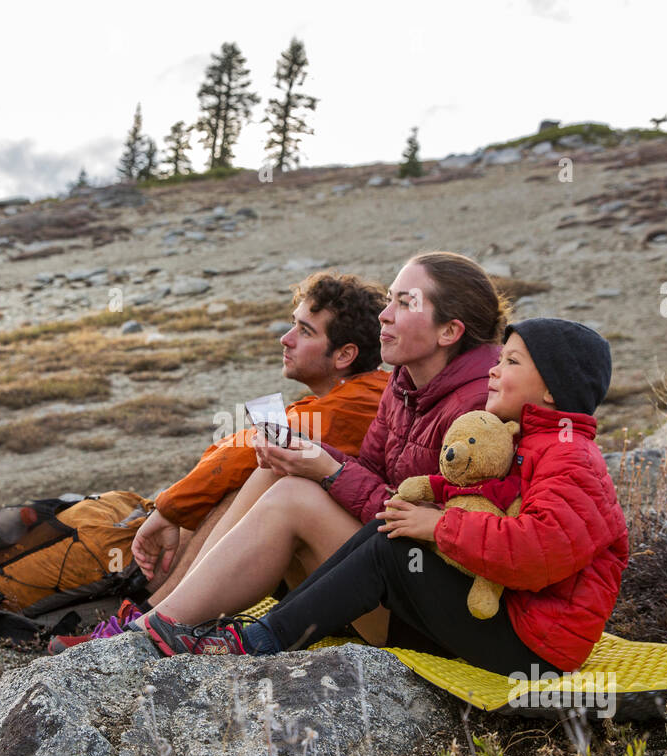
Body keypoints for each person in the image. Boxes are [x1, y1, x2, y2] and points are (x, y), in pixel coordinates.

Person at [153, 317, 630, 678]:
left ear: (550, 387)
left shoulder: (572, 457)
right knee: (389, 531)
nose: (493, 371)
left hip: (534, 648)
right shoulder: (524, 441)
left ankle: (257, 642)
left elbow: (538, 552)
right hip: (505, 620)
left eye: (511, 362)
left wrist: (437, 527)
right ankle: (259, 630)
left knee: (394, 547)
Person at [130, 251, 511, 653]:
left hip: (435, 614)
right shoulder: (405, 382)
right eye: (389, 298)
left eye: (405, 303)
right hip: (388, 579)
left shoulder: (479, 408)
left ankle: (148, 636)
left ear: (449, 332)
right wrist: (311, 456)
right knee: (282, 472)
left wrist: (329, 470)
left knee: (296, 496)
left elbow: (445, 531)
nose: (384, 315)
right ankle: (167, 617)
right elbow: (371, 471)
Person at [50, 271, 389, 652]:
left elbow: (246, 451)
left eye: (305, 331)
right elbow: (240, 451)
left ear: (344, 355)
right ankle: (152, 617)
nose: (286, 339)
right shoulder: (349, 396)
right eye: (293, 325)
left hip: (371, 598)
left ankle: (151, 625)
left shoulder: (361, 403)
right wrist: (175, 509)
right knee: (254, 475)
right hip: (349, 576)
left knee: (272, 470)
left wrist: (169, 510)